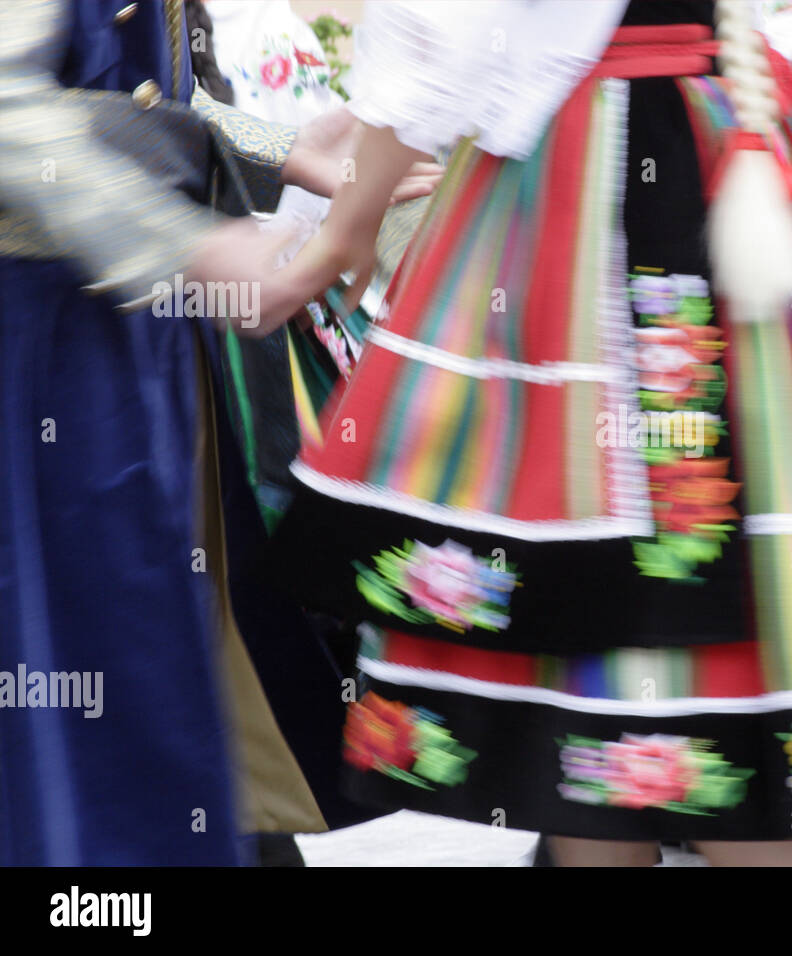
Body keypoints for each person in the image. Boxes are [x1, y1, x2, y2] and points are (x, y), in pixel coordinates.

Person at [252, 0, 792, 866]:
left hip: (590, 193)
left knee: (608, 649)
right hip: (723, 169)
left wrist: (338, 236)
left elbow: (445, 32)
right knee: (677, 661)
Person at [0, 0, 423, 864]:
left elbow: (146, 101)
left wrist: (279, 151)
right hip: (35, 342)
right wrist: (182, 249)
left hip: (124, 343)